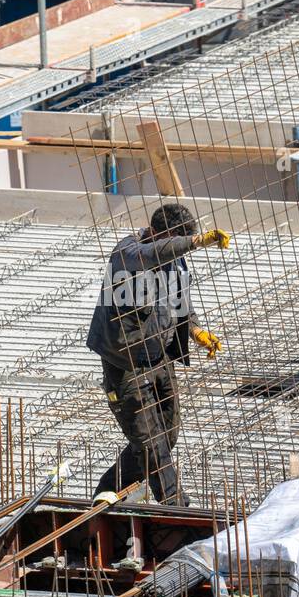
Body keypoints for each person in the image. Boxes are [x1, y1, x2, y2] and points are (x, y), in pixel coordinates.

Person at [86, 203, 229, 505]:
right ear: (162, 234)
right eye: (179, 242)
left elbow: (181, 303)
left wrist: (195, 330)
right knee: (151, 442)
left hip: (160, 359)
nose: (183, 251)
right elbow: (152, 254)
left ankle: (107, 492)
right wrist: (196, 241)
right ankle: (174, 503)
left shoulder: (176, 262)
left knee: (167, 433)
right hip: (127, 365)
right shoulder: (128, 253)